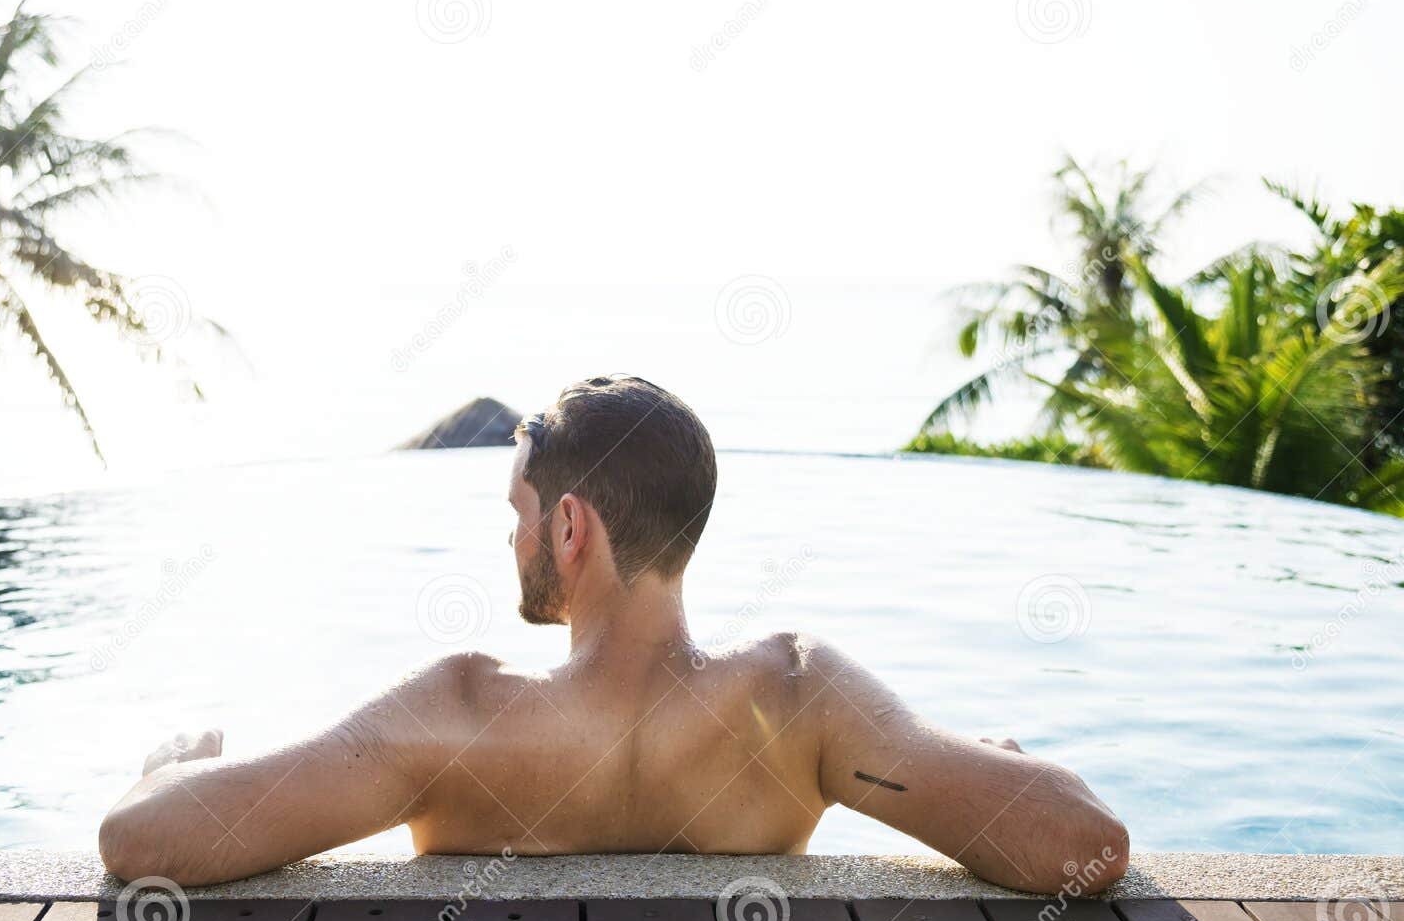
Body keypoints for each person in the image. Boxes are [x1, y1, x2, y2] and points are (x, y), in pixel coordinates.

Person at [99, 375, 1128, 894]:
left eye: (517, 514)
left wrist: (162, 769)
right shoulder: (798, 698)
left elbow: (145, 843)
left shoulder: (454, 714)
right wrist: (989, 769)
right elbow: (1087, 843)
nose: (511, 539)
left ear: (569, 524)